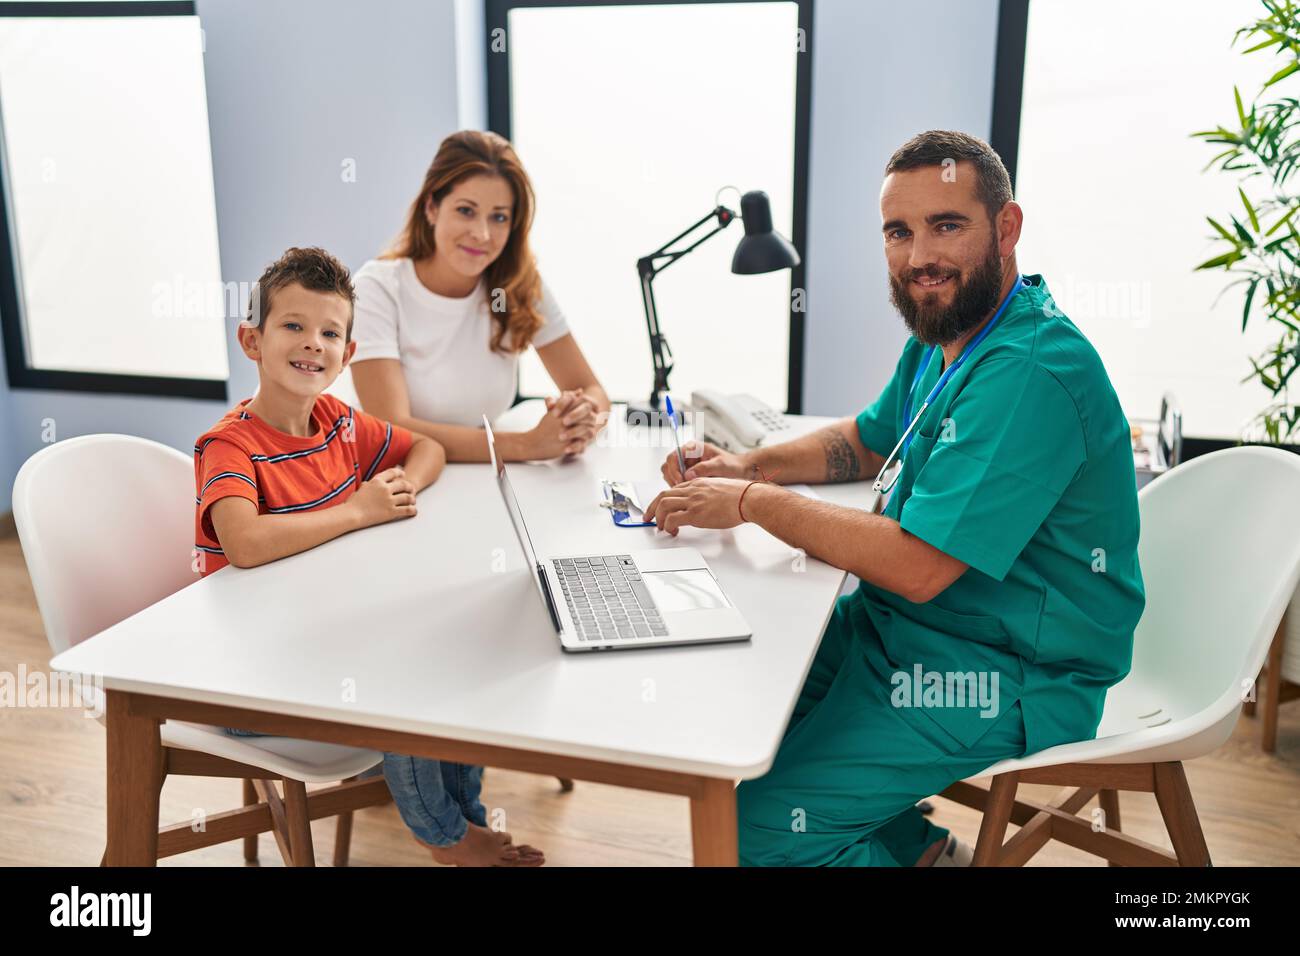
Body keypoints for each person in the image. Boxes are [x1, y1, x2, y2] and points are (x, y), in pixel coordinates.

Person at [644, 130, 1146, 866]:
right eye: (898, 232)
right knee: (733, 730)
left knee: (750, 836)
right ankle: (915, 850)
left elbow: (918, 567)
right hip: (900, 630)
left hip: (1001, 673)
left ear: (1006, 229)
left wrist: (752, 500)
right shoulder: (949, 328)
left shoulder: (1030, 371)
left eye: (947, 225)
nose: (919, 258)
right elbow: (870, 440)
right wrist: (751, 460)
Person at [194, 246, 543, 866]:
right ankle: (446, 838)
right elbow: (244, 544)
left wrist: (401, 487)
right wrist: (359, 509)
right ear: (252, 340)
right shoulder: (229, 446)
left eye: (330, 332)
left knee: (456, 641)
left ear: (347, 355)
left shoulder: (337, 421)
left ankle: (464, 816)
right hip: (247, 682)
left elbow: (427, 447)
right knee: (402, 673)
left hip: (320, 639)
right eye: (293, 326)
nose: (312, 344)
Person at [347, 130, 609, 462]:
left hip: (480, 476)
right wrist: (528, 445)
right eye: (466, 211)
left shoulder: (519, 285)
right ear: (431, 207)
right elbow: (392, 429)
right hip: (396, 473)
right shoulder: (379, 288)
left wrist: (579, 418)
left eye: (498, 217)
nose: (482, 234)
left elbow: (593, 390)